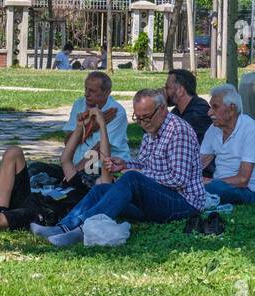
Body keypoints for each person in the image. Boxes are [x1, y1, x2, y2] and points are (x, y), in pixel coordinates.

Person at [31, 89, 207, 248]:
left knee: (132, 179)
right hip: (158, 197)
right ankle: (64, 226)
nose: (142, 123)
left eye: (146, 117)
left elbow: (178, 179)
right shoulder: (151, 130)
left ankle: (83, 231)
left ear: (162, 110)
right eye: (138, 118)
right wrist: (125, 164)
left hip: (185, 203)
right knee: (102, 189)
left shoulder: (178, 131)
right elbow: (146, 166)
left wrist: (136, 173)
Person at [200, 85, 255, 206]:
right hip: (219, 184)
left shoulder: (251, 129)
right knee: (190, 186)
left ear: (232, 109)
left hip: (246, 191)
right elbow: (200, 162)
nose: (209, 112)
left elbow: (243, 180)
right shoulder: (213, 128)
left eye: (214, 107)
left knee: (207, 189)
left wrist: (209, 182)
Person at [62, 71, 132, 176]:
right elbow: (68, 142)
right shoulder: (79, 104)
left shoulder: (117, 111)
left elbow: (100, 149)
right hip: (78, 167)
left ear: (107, 92)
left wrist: (74, 174)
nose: (86, 94)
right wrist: (90, 127)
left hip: (102, 170)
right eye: (85, 89)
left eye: (92, 91)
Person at [165, 67, 212, 142]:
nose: (165, 91)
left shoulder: (198, 113)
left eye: (167, 87)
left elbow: (175, 137)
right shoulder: (177, 111)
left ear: (180, 91)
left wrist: (161, 107)